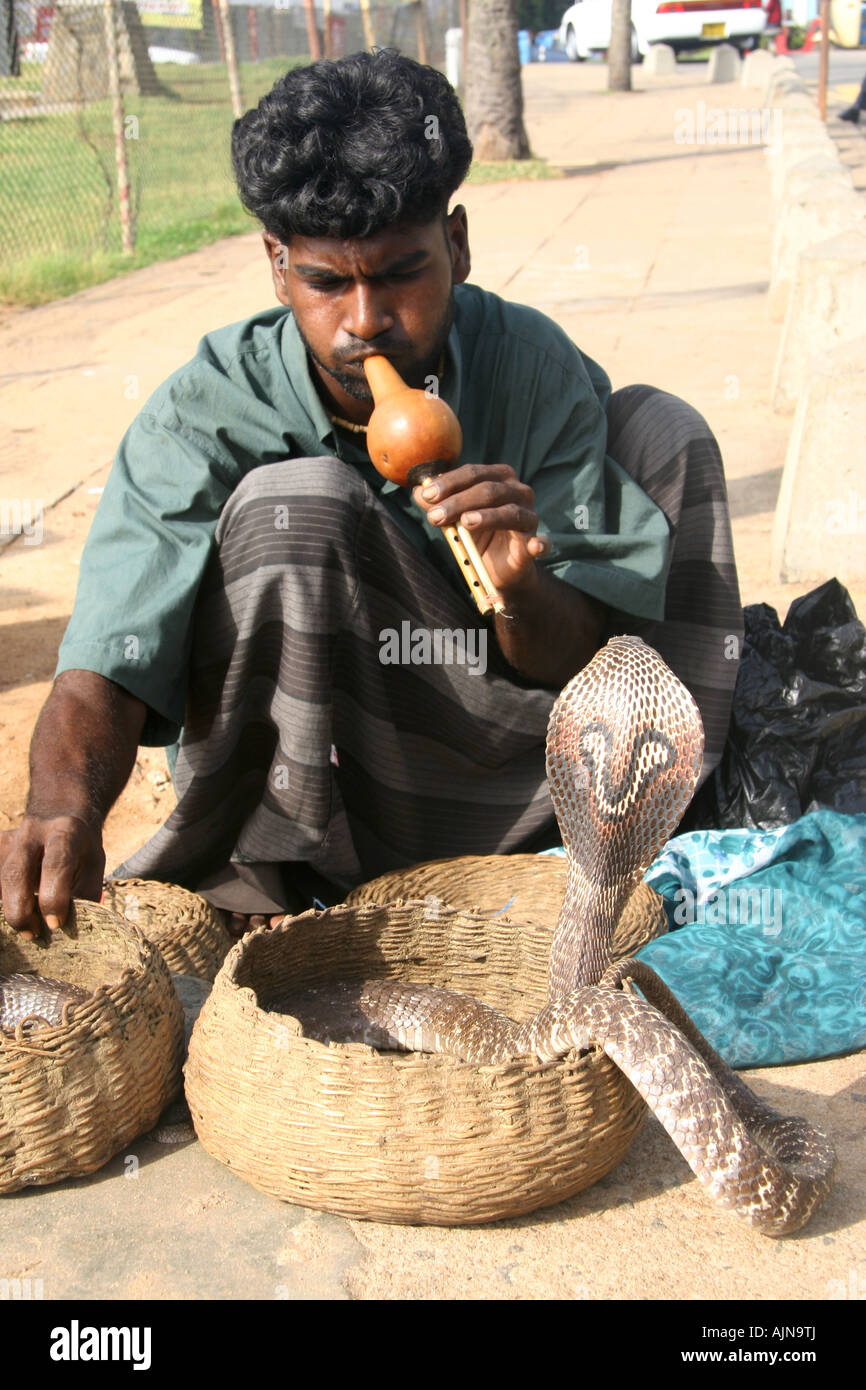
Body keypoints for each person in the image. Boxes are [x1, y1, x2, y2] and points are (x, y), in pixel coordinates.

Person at [0, 49, 742, 941]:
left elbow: (583, 657)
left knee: (666, 426)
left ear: (457, 246)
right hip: (337, 791)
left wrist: (523, 591)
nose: (364, 322)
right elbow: (107, 662)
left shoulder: (532, 365)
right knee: (300, 503)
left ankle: (653, 832)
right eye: (326, 282)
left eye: (400, 273)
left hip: (520, 773)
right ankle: (276, 894)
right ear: (278, 268)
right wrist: (62, 807)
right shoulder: (202, 414)